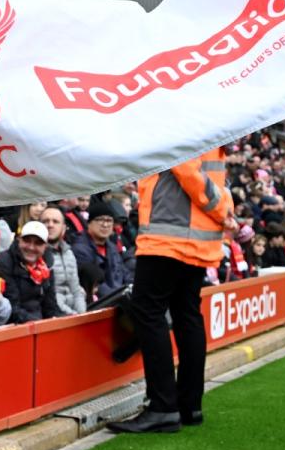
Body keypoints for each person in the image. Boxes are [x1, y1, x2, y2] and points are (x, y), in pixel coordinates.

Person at [108, 148, 234, 434]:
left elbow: (188, 172)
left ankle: (163, 407)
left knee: (148, 310)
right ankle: (189, 405)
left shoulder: (183, 119)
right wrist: (222, 211)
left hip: (170, 236)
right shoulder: (210, 126)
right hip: (195, 237)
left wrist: (221, 210)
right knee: (186, 313)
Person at [0, 220, 60, 324]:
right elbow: (12, 307)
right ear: (19, 239)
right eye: (27, 240)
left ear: (45, 246)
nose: (31, 247)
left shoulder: (47, 265)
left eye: (38, 243)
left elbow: (50, 304)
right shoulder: (5, 262)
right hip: (14, 326)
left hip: (39, 324)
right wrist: (41, 324)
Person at [72, 198, 132, 302]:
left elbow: (124, 273)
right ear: (89, 223)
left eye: (109, 220)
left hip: (118, 298)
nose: (105, 225)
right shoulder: (80, 249)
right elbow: (96, 284)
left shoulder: (112, 248)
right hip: (99, 302)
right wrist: (120, 298)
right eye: (100, 220)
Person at [40, 205, 87, 316]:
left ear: (64, 228)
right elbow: (49, 297)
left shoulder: (69, 253)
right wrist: (74, 316)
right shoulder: (36, 255)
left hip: (75, 314)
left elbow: (76, 291)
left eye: (55, 222)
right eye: (46, 221)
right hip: (54, 315)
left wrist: (82, 314)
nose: (50, 225)